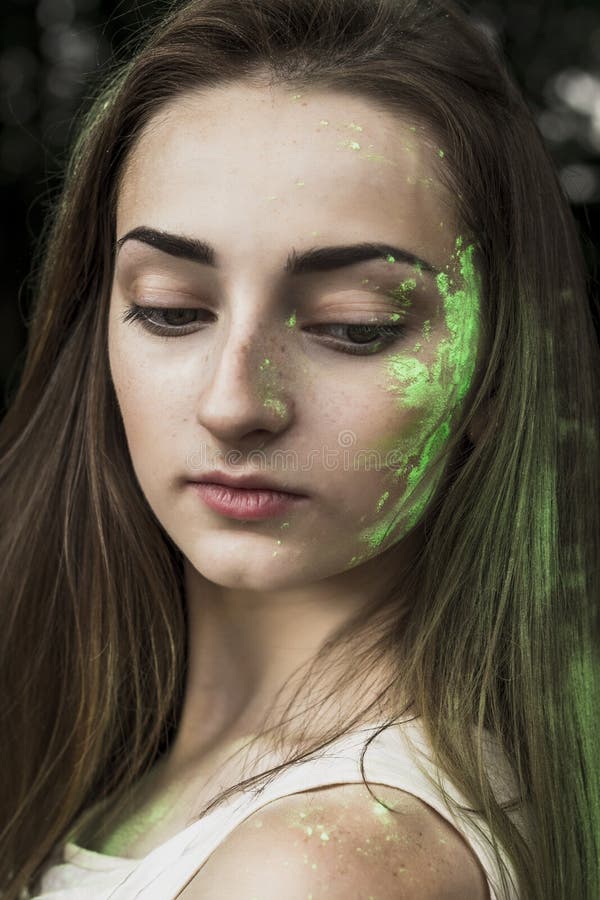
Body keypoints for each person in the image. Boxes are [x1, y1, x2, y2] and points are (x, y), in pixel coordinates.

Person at [1, 0, 598, 897]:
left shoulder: (327, 861)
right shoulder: (111, 746)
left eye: (354, 327)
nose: (235, 402)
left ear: (498, 371)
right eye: (171, 309)